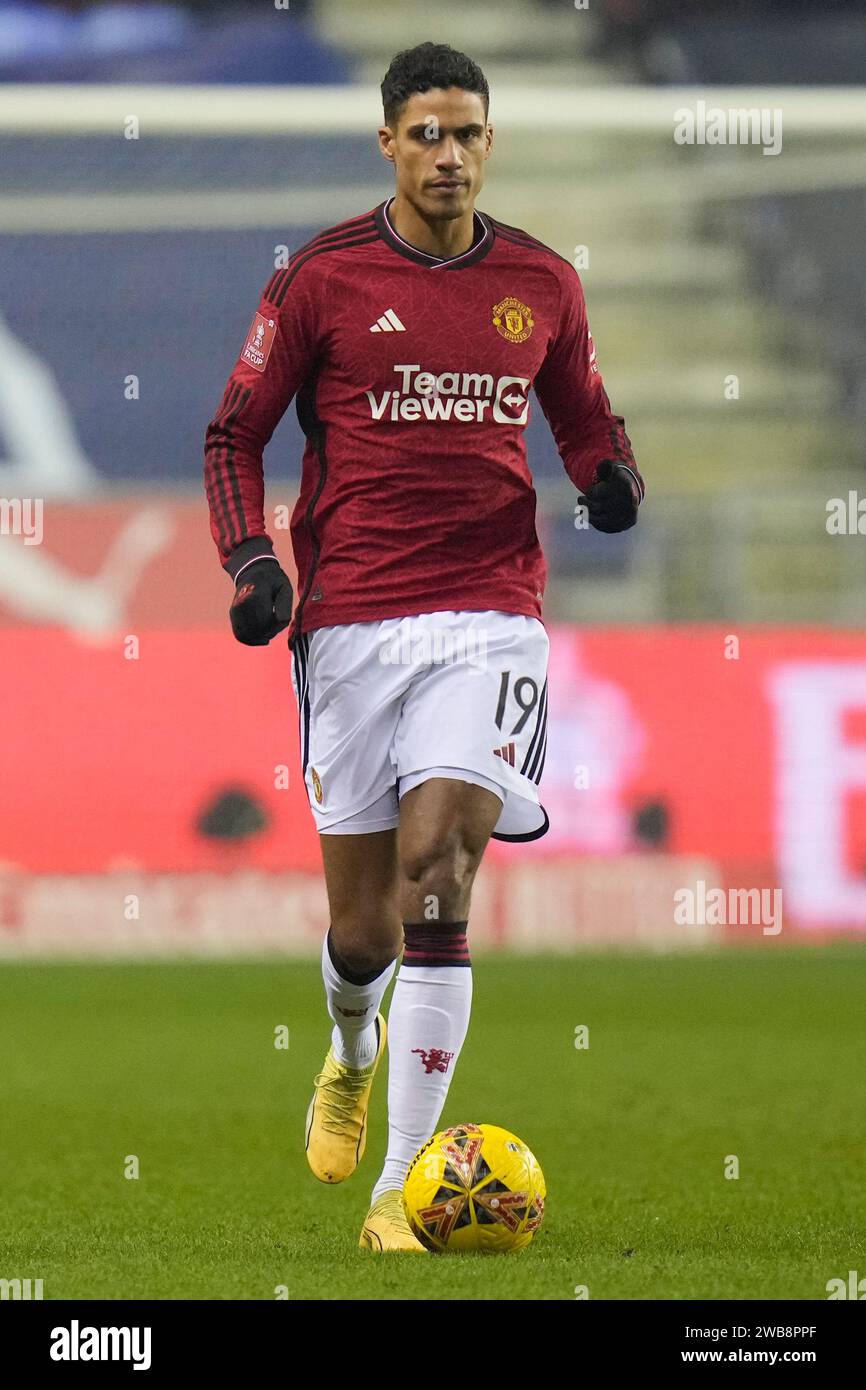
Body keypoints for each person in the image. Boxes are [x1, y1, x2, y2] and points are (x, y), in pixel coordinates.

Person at [204, 41, 643, 1252]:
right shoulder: (321, 279)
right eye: (426, 135)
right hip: (350, 622)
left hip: (490, 609)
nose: (448, 154)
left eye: (468, 133)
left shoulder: (542, 282)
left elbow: (582, 413)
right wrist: (253, 562)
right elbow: (231, 434)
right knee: (363, 934)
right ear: (387, 144)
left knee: (439, 860)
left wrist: (607, 476)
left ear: (487, 143)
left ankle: (401, 1189)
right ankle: (349, 1047)